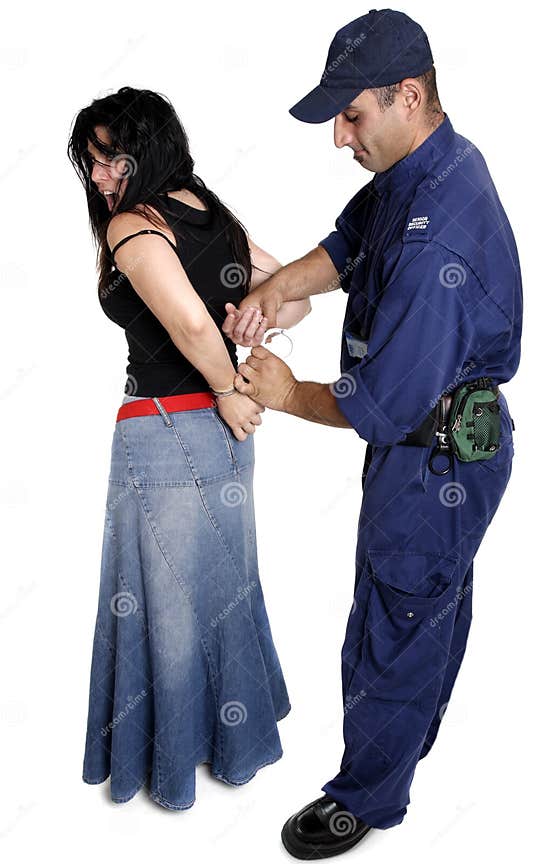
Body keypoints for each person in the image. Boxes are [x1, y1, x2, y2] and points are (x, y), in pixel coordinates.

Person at [223, 8, 522, 858]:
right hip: (452, 447)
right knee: (427, 607)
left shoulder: (438, 244)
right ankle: (406, 746)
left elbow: (378, 408)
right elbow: (356, 235)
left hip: (429, 458)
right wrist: (286, 285)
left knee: (392, 622)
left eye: (351, 117)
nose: (338, 138)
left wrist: (281, 392)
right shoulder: (431, 166)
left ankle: (365, 799)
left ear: (409, 94)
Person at [68, 86, 311, 810]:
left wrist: (232, 377)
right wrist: (255, 322)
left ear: (148, 150)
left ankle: (176, 767)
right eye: (93, 164)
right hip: (223, 436)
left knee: (165, 605)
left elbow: (192, 329)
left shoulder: (134, 228)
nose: (102, 178)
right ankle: (227, 746)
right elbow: (292, 292)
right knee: (221, 590)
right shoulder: (211, 212)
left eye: (111, 160)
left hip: (170, 429)